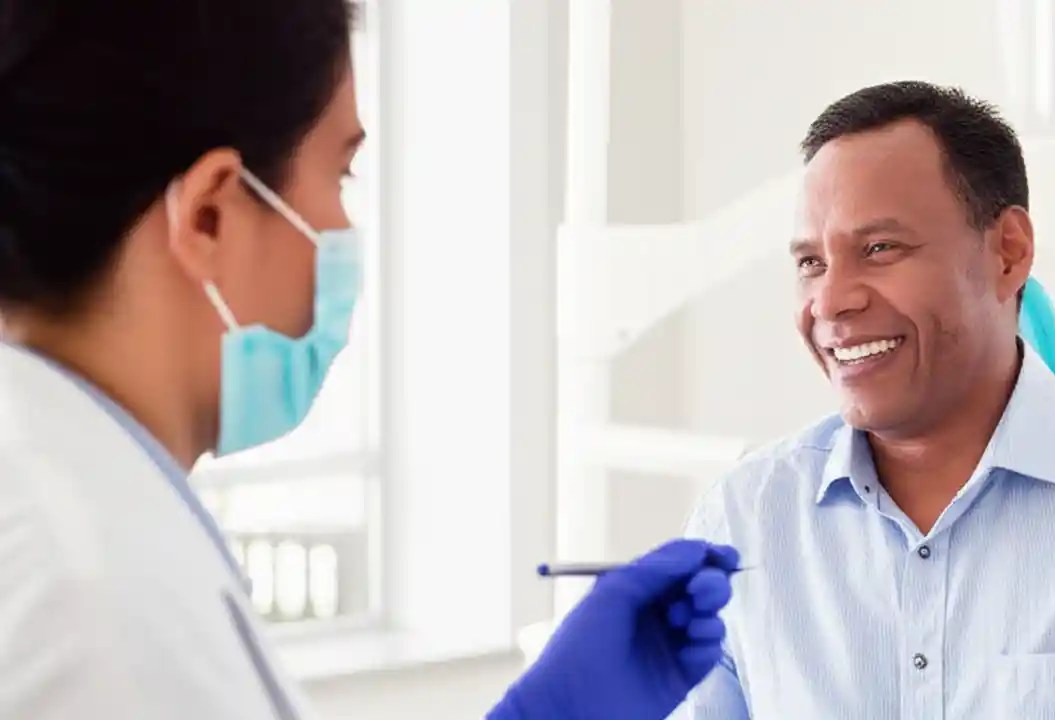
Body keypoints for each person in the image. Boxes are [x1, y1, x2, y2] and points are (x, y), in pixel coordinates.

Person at [0, 2, 736, 718]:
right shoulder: (93, 610)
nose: (341, 227)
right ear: (209, 216)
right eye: (341, 174)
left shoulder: (77, 506)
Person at [675, 81, 1055, 718]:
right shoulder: (741, 524)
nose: (830, 301)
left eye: (880, 249)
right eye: (811, 264)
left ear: (1008, 252)